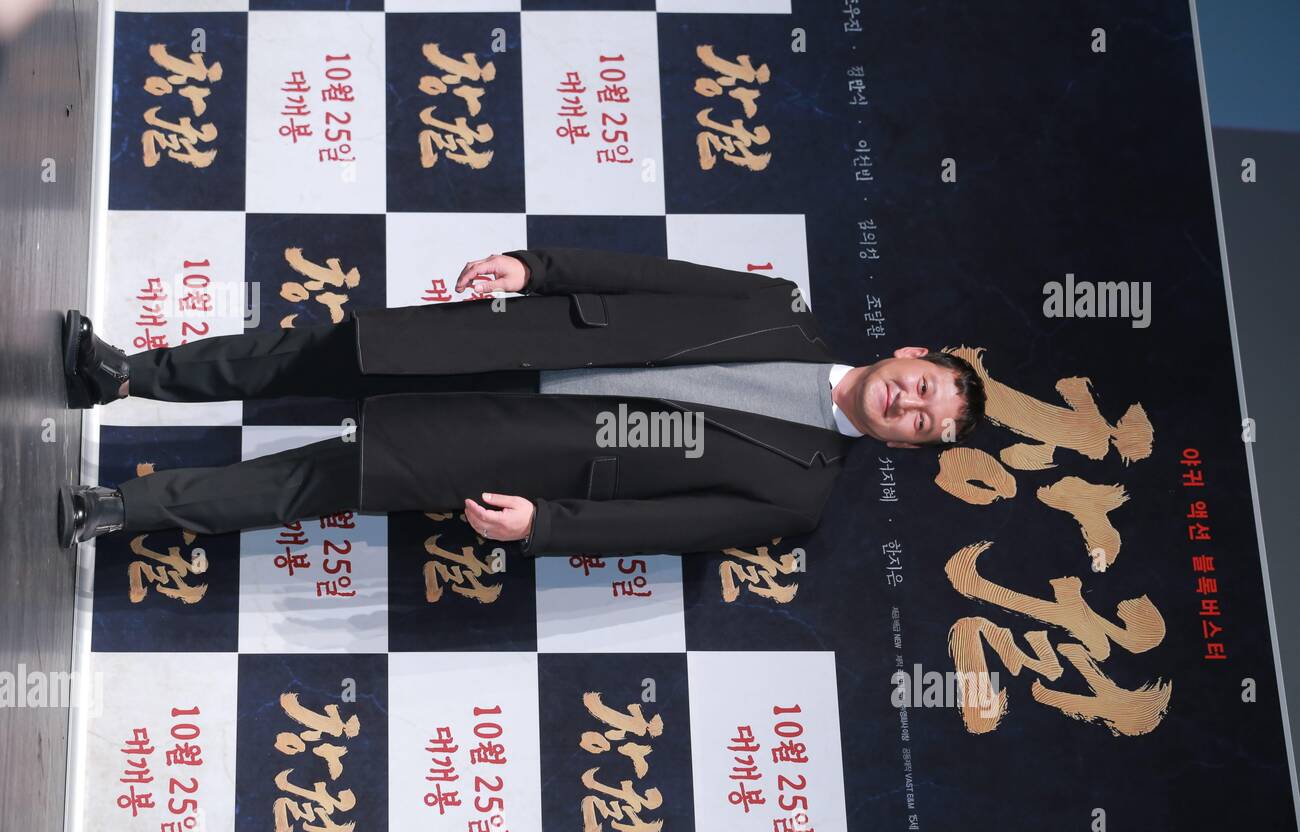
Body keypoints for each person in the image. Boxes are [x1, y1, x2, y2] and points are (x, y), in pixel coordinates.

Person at [58, 246, 985, 556]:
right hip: (520, 340)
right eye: (928, 384)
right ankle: (127, 374)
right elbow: (649, 277)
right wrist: (537, 269)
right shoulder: (777, 304)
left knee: (316, 482)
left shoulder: (802, 497)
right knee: (304, 357)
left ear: (904, 446)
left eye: (924, 422)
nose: (912, 402)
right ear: (910, 354)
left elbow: (664, 528)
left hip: (533, 447)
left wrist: (545, 527)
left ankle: (119, 508)